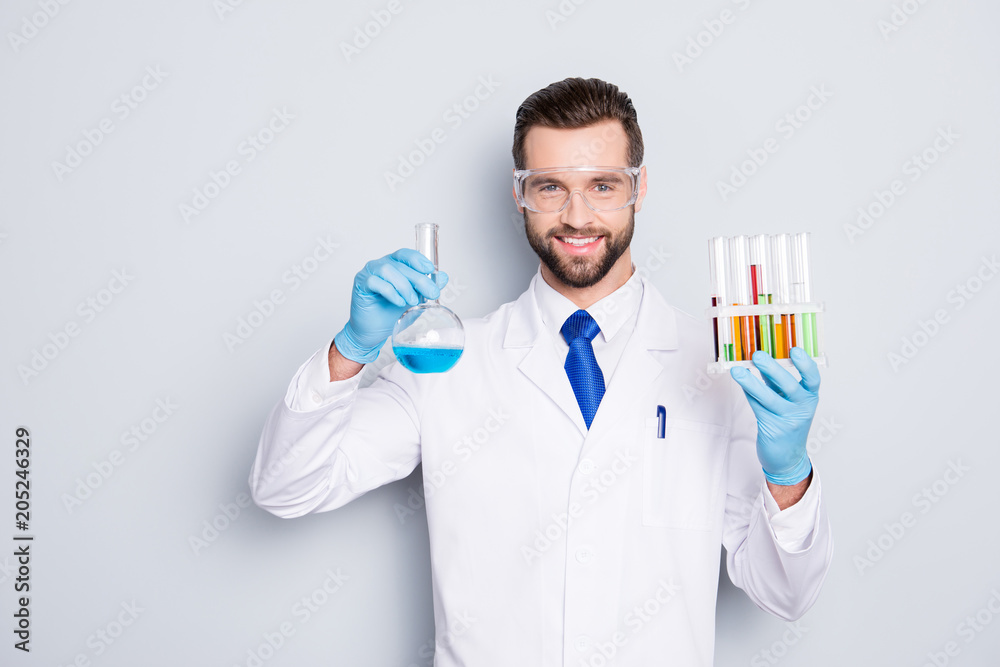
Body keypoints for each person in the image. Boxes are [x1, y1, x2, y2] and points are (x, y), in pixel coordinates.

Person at [250, 77, 833, 667]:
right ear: (519, 193)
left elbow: (784, 593)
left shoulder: (720, 364)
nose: (577, 217)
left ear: (640, 187)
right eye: (551, 187)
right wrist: (350, 348)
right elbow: (286, 486)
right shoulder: (446, 364)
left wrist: (789, 472)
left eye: (603, 185)